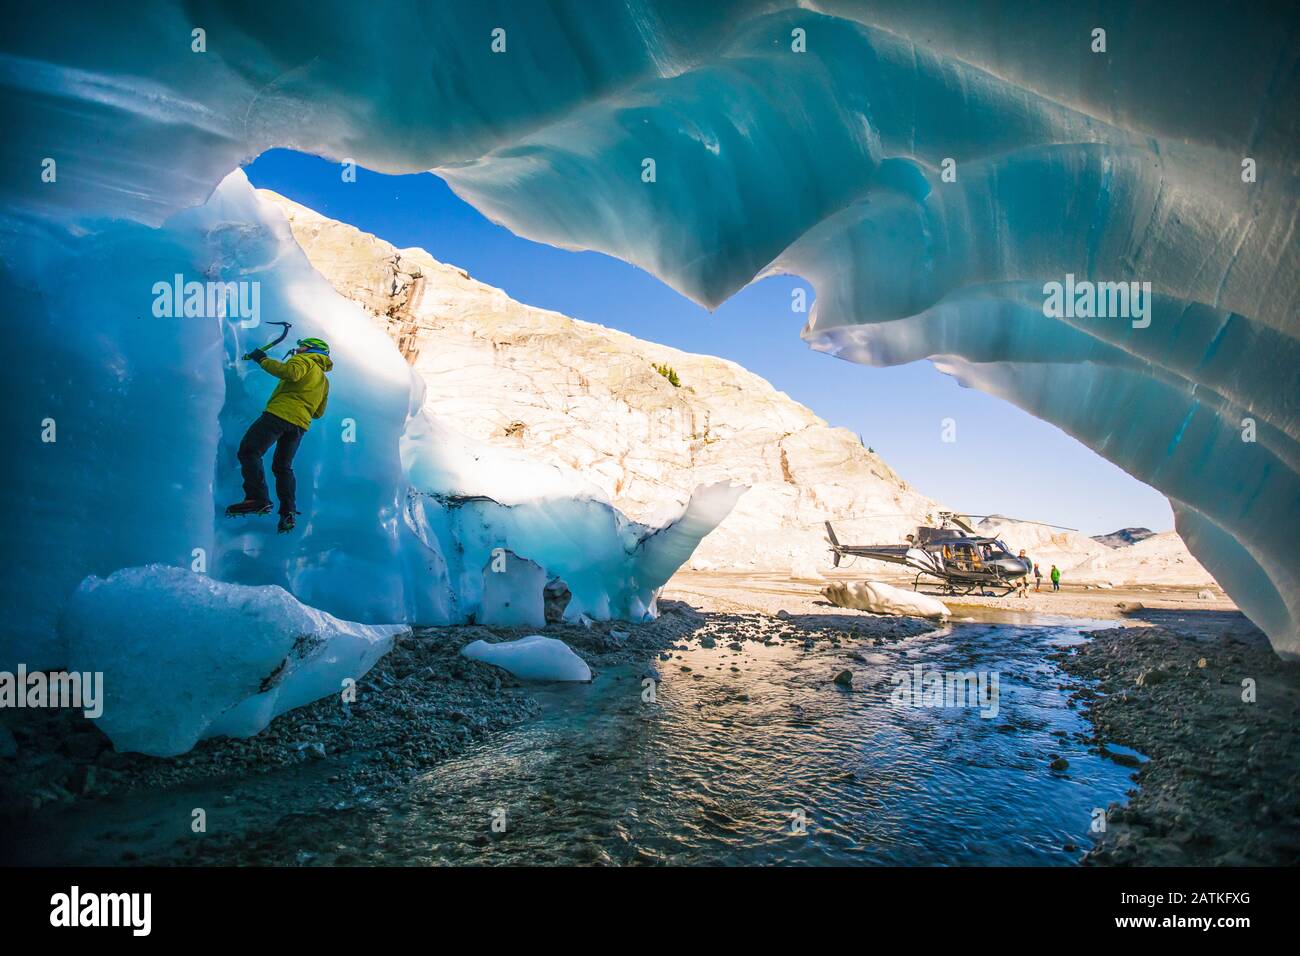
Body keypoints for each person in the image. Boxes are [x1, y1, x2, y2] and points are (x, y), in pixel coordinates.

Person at [226, 337, 333, 533]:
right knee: (283, 467)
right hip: (299, 425)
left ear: (312, 349)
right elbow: (319, 412)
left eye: (302, 346)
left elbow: (290, 373)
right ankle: (288, 512)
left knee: (249, 451)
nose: (298, 348)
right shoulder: (324, 381)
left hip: (279, 414)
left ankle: (257, 498)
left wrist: (262, 359)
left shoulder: (305, 360)